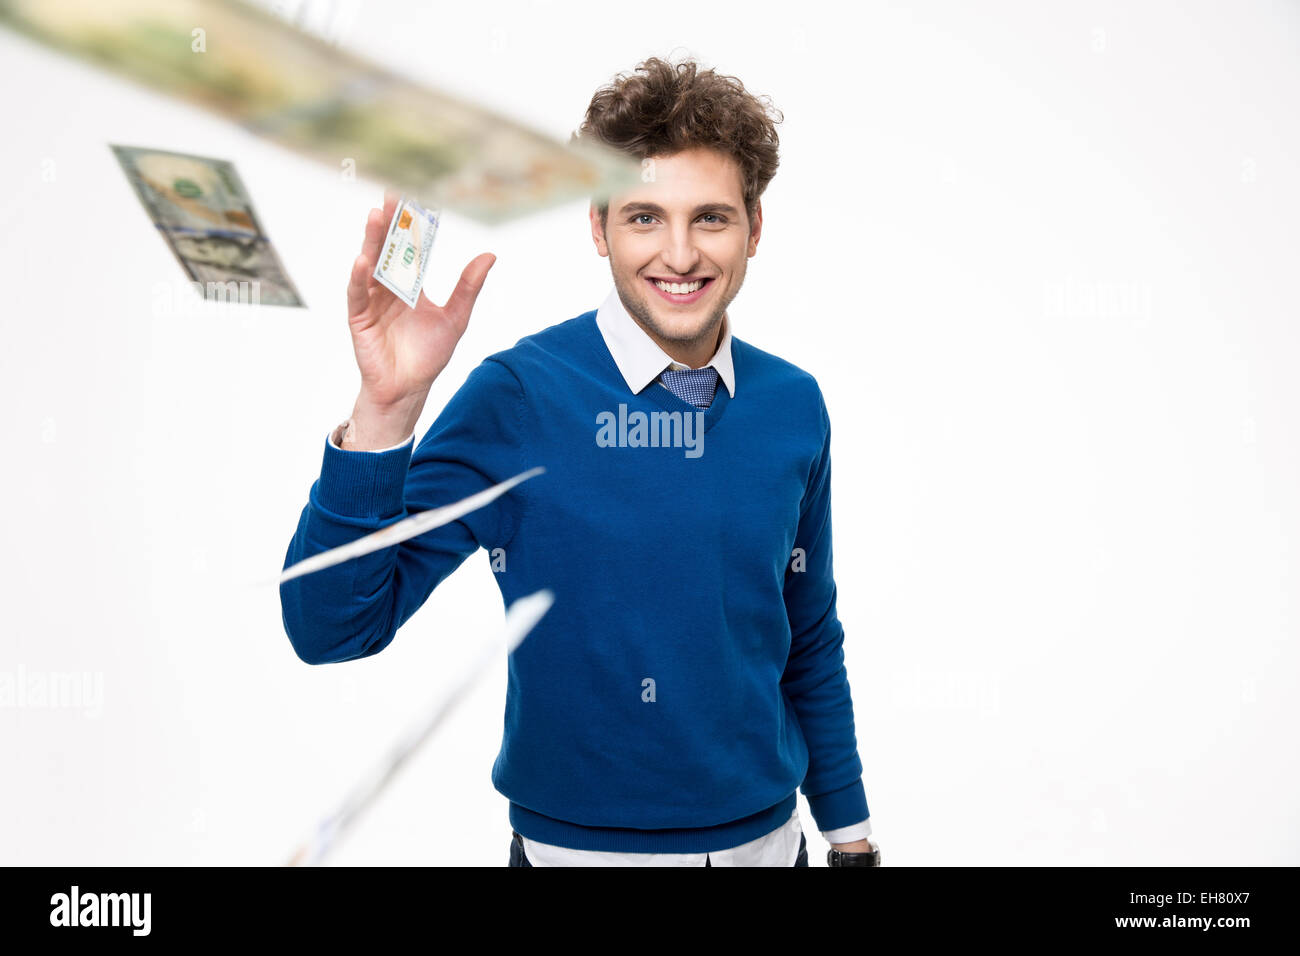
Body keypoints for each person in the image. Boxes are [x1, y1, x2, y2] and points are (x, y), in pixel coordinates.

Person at [280, 55, 879, 867]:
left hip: (772, 849)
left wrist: (849, 836)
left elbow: (808, 631)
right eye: (642, 218)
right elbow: (333, 629)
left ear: (754, 227)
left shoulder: (793, 404)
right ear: (596, 227)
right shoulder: (520, 397)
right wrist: (385, 408)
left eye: (710, 217)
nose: (679, 254)